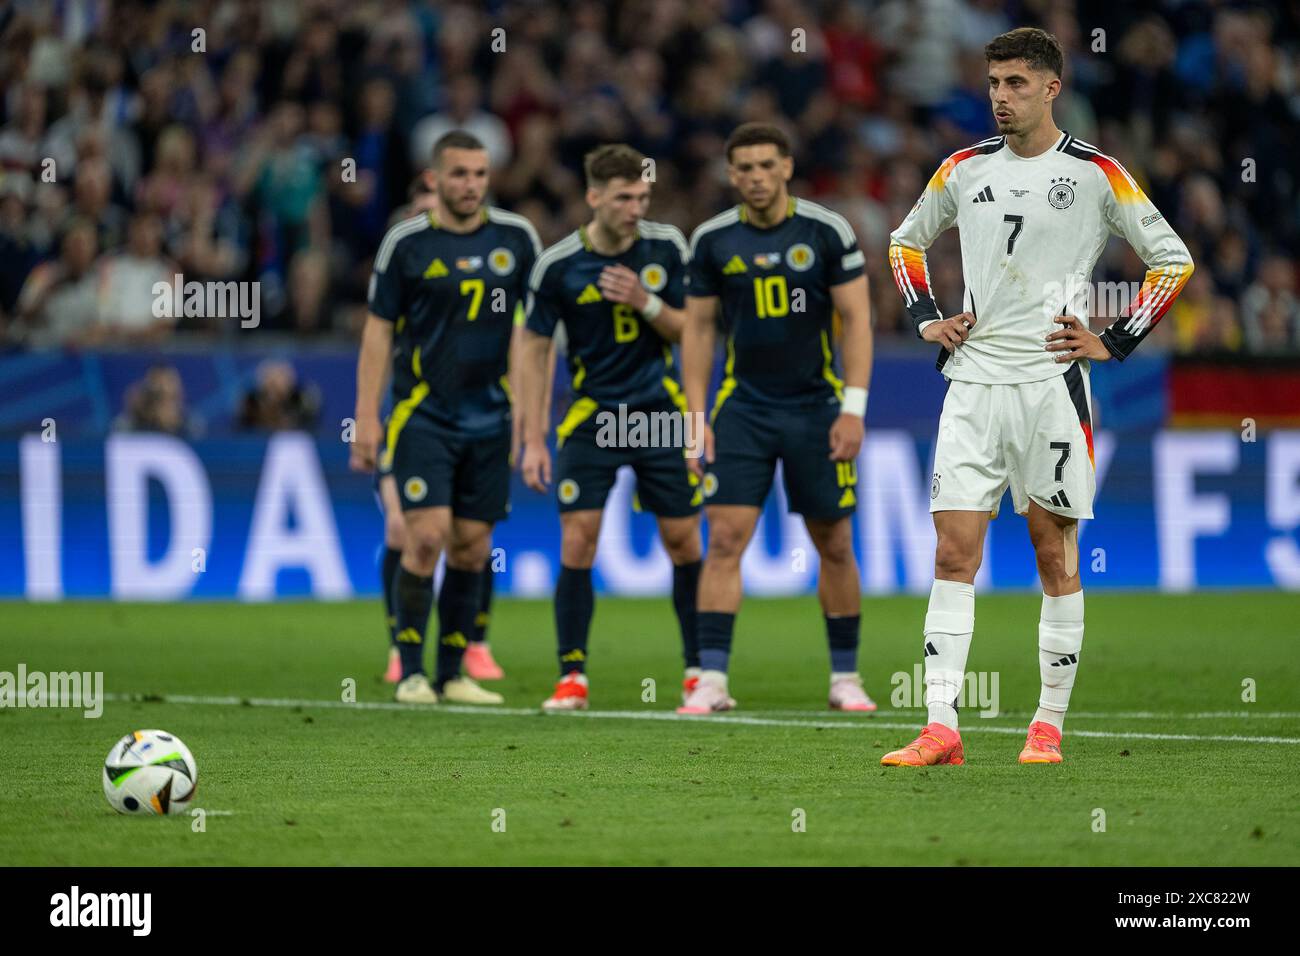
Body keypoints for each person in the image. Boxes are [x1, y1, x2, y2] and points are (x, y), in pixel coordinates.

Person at [882, 28, 1193, 766]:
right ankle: (940, 727)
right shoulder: (961, 169)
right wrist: (928, 317)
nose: (1000, 96)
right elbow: (903, 242)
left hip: (1052, 386)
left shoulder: (1096, 174)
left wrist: (1114, 341)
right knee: (954, 551)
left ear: (1053, 88)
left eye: (1017, 83)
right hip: (972, 384)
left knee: (1052, 553)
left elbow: (1172, 260)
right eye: (993, 83)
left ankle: (1046, 726)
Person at [678, 123, 877, 715]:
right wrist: (695, 419)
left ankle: (845, 677)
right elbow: (697, 330)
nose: (756, 177)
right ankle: (711, 680)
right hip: (742, 411)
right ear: (731, 174)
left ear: (787, 167)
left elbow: (857, 322)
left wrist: (853, 408)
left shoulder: (825, 231)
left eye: (767, 165)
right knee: (726, 540)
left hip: (817, 409)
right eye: (744, 168)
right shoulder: (713, 241)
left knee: (834, 541)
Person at [351, 130, 540, 705]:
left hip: (490, 417)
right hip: (423, 414)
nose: (471, 185)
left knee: (473, 547)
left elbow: (531, 338)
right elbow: (378, 332)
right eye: (459, 174)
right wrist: (365, 417)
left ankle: (452, 673)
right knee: (425, 536)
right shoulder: (406, 244)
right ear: (435, 178)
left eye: (480, 174)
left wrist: (530, 425)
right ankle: (410, 670)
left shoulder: (517, 238)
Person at [519, 144, 702, 711]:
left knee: (681, 540)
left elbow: (691, 333)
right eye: (623, 197)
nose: (635, 207)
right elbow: (534, 351)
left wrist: (646, 302)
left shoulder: (667, 247)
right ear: (593, 197)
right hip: (592, 417)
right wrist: (530, 439)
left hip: (658, 412)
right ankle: (572, 676)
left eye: (642, 196)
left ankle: (700, 671)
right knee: (578, 541)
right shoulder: (558, 265)